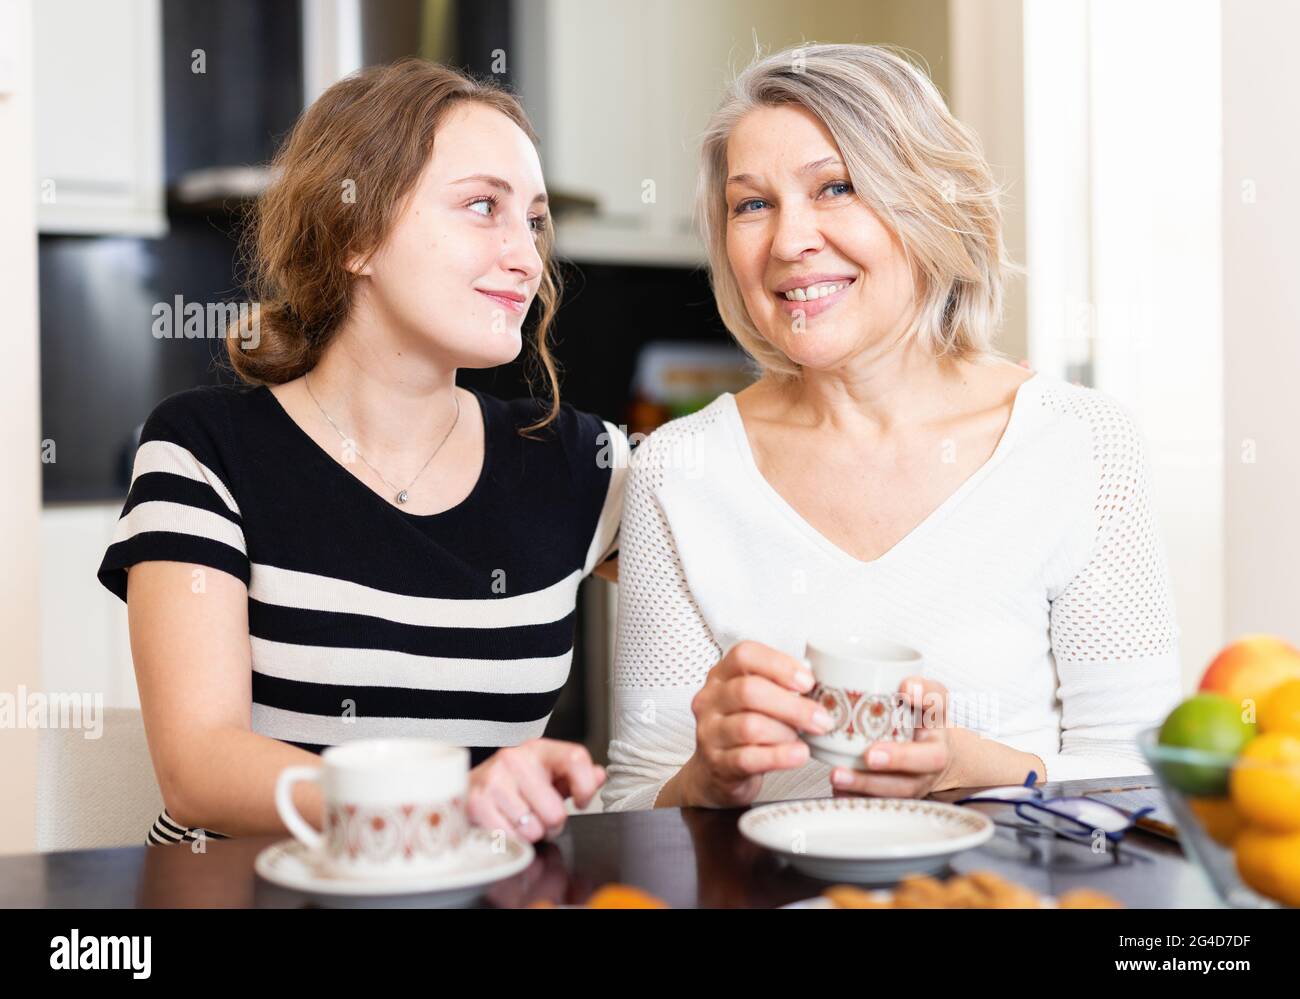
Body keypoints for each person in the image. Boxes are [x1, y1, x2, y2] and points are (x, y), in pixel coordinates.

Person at [602, 43, 1181, 812]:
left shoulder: (1082, 443)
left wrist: (971, 763)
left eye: (835, 187)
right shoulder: (678, 470)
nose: (787, 241)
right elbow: (634, 810)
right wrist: (707, 775)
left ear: (931, 201)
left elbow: (1139, 785)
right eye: (752, 204)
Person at [97, 58, 627, 846]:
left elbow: (770, 519)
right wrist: (445, 795)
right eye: (484, 206)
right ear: (356, 235)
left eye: (535, 220)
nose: (526, 256)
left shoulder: (577, 462)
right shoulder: (206, 451)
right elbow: (198, 766)